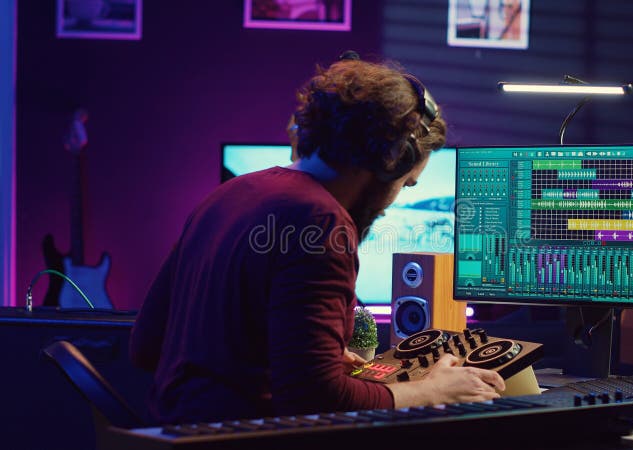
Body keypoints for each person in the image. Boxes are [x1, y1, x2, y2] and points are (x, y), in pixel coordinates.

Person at [129, 54, 505, 424]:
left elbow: (146, 347)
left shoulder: (229, 194)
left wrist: (297, 352)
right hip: (234, 438)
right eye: (405, 185)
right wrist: (432, 391)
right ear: (391, 159)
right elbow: (315, 397)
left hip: (171, 430)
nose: (392, 203)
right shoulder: (322, 221)